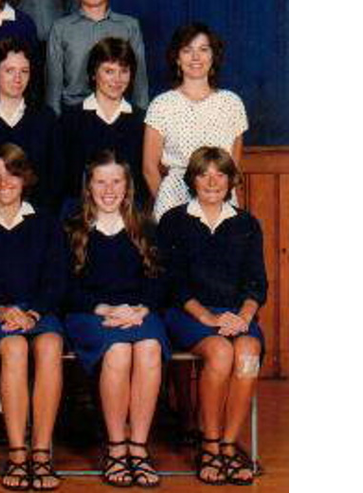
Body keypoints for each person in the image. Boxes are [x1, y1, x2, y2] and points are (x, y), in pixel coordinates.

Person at [158, 147, 266, 486]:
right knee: (220, 352)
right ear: (192, 179)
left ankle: (229, 445)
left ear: (232, 180)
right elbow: (171, 283)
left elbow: (256, 283)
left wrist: (244, 317)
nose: (212, 181)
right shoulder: (174, 221)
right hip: (188, 314)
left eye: (220, 174)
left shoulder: (247, 223)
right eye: (204, 173)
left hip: (235, 316)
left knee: (247, 354)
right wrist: (206, 317)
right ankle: (209, 446)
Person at [0, 144, 65, 491]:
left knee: (50, 345)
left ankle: (41, 453)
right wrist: (2, 310)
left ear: (25, 177)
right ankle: (17, 453)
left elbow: (56, 279)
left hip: (37, 311)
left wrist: (32, 313)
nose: (4, 183)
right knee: (16, 348)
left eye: (11, 174)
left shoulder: (45, 221)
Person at [62, 151, 168, 488]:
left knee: (150, 346)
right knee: (120, 349)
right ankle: (116, 448)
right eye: (101, 181)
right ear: (89, 186)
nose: (109, 190)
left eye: (116, 181)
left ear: (128, 185)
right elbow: (63, 288)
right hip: (89, 314)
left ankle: (138, 447)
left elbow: (160, 280)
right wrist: (105, 309)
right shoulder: (73, 226)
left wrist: (141, 310)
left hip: (138, 312)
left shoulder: (144, 224)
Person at [144, 22, 248, 220]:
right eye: (187, 50)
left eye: (203, 49)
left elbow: (232, 168)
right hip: (174, 200)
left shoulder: (231, 103)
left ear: (213, 56)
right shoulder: (162, 105)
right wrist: (172, 212)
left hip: (220, 201)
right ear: (177, 58)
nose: (195, 57)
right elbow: (149, 167)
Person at [0, 37, 64, 213]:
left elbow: (55, 180)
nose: (18, 78)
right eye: (10, 70)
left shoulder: (45, 119)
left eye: (24, 71)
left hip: (35, 219)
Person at [44, 0, 147, 113]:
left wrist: (140, 120)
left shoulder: (129, 26)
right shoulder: (60, 28)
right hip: (73, 112)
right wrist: (54, 124)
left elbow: (140, 83)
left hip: (118, 112)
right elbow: (53, 87)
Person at [60, 37, 146, 212]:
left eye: (124, 71)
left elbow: (142, 183)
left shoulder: (141, 121)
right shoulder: (70, 120)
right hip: (80, 218)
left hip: (129, 218)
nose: (117, 79)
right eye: (109, 71)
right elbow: (62, 180)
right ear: (93, 73)